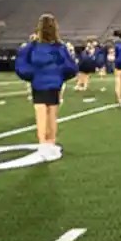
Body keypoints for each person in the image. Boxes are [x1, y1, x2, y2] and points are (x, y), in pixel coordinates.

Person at [14, 14, 78, 161]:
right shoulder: (59, 47)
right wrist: (60, 76)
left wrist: (32, 75)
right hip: (54, 84)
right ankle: (52, 145)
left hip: (38, 84)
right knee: (52, 116)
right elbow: (71, 67)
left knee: (41, 115)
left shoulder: (32, 47)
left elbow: (21, 65)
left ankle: (43, 145)